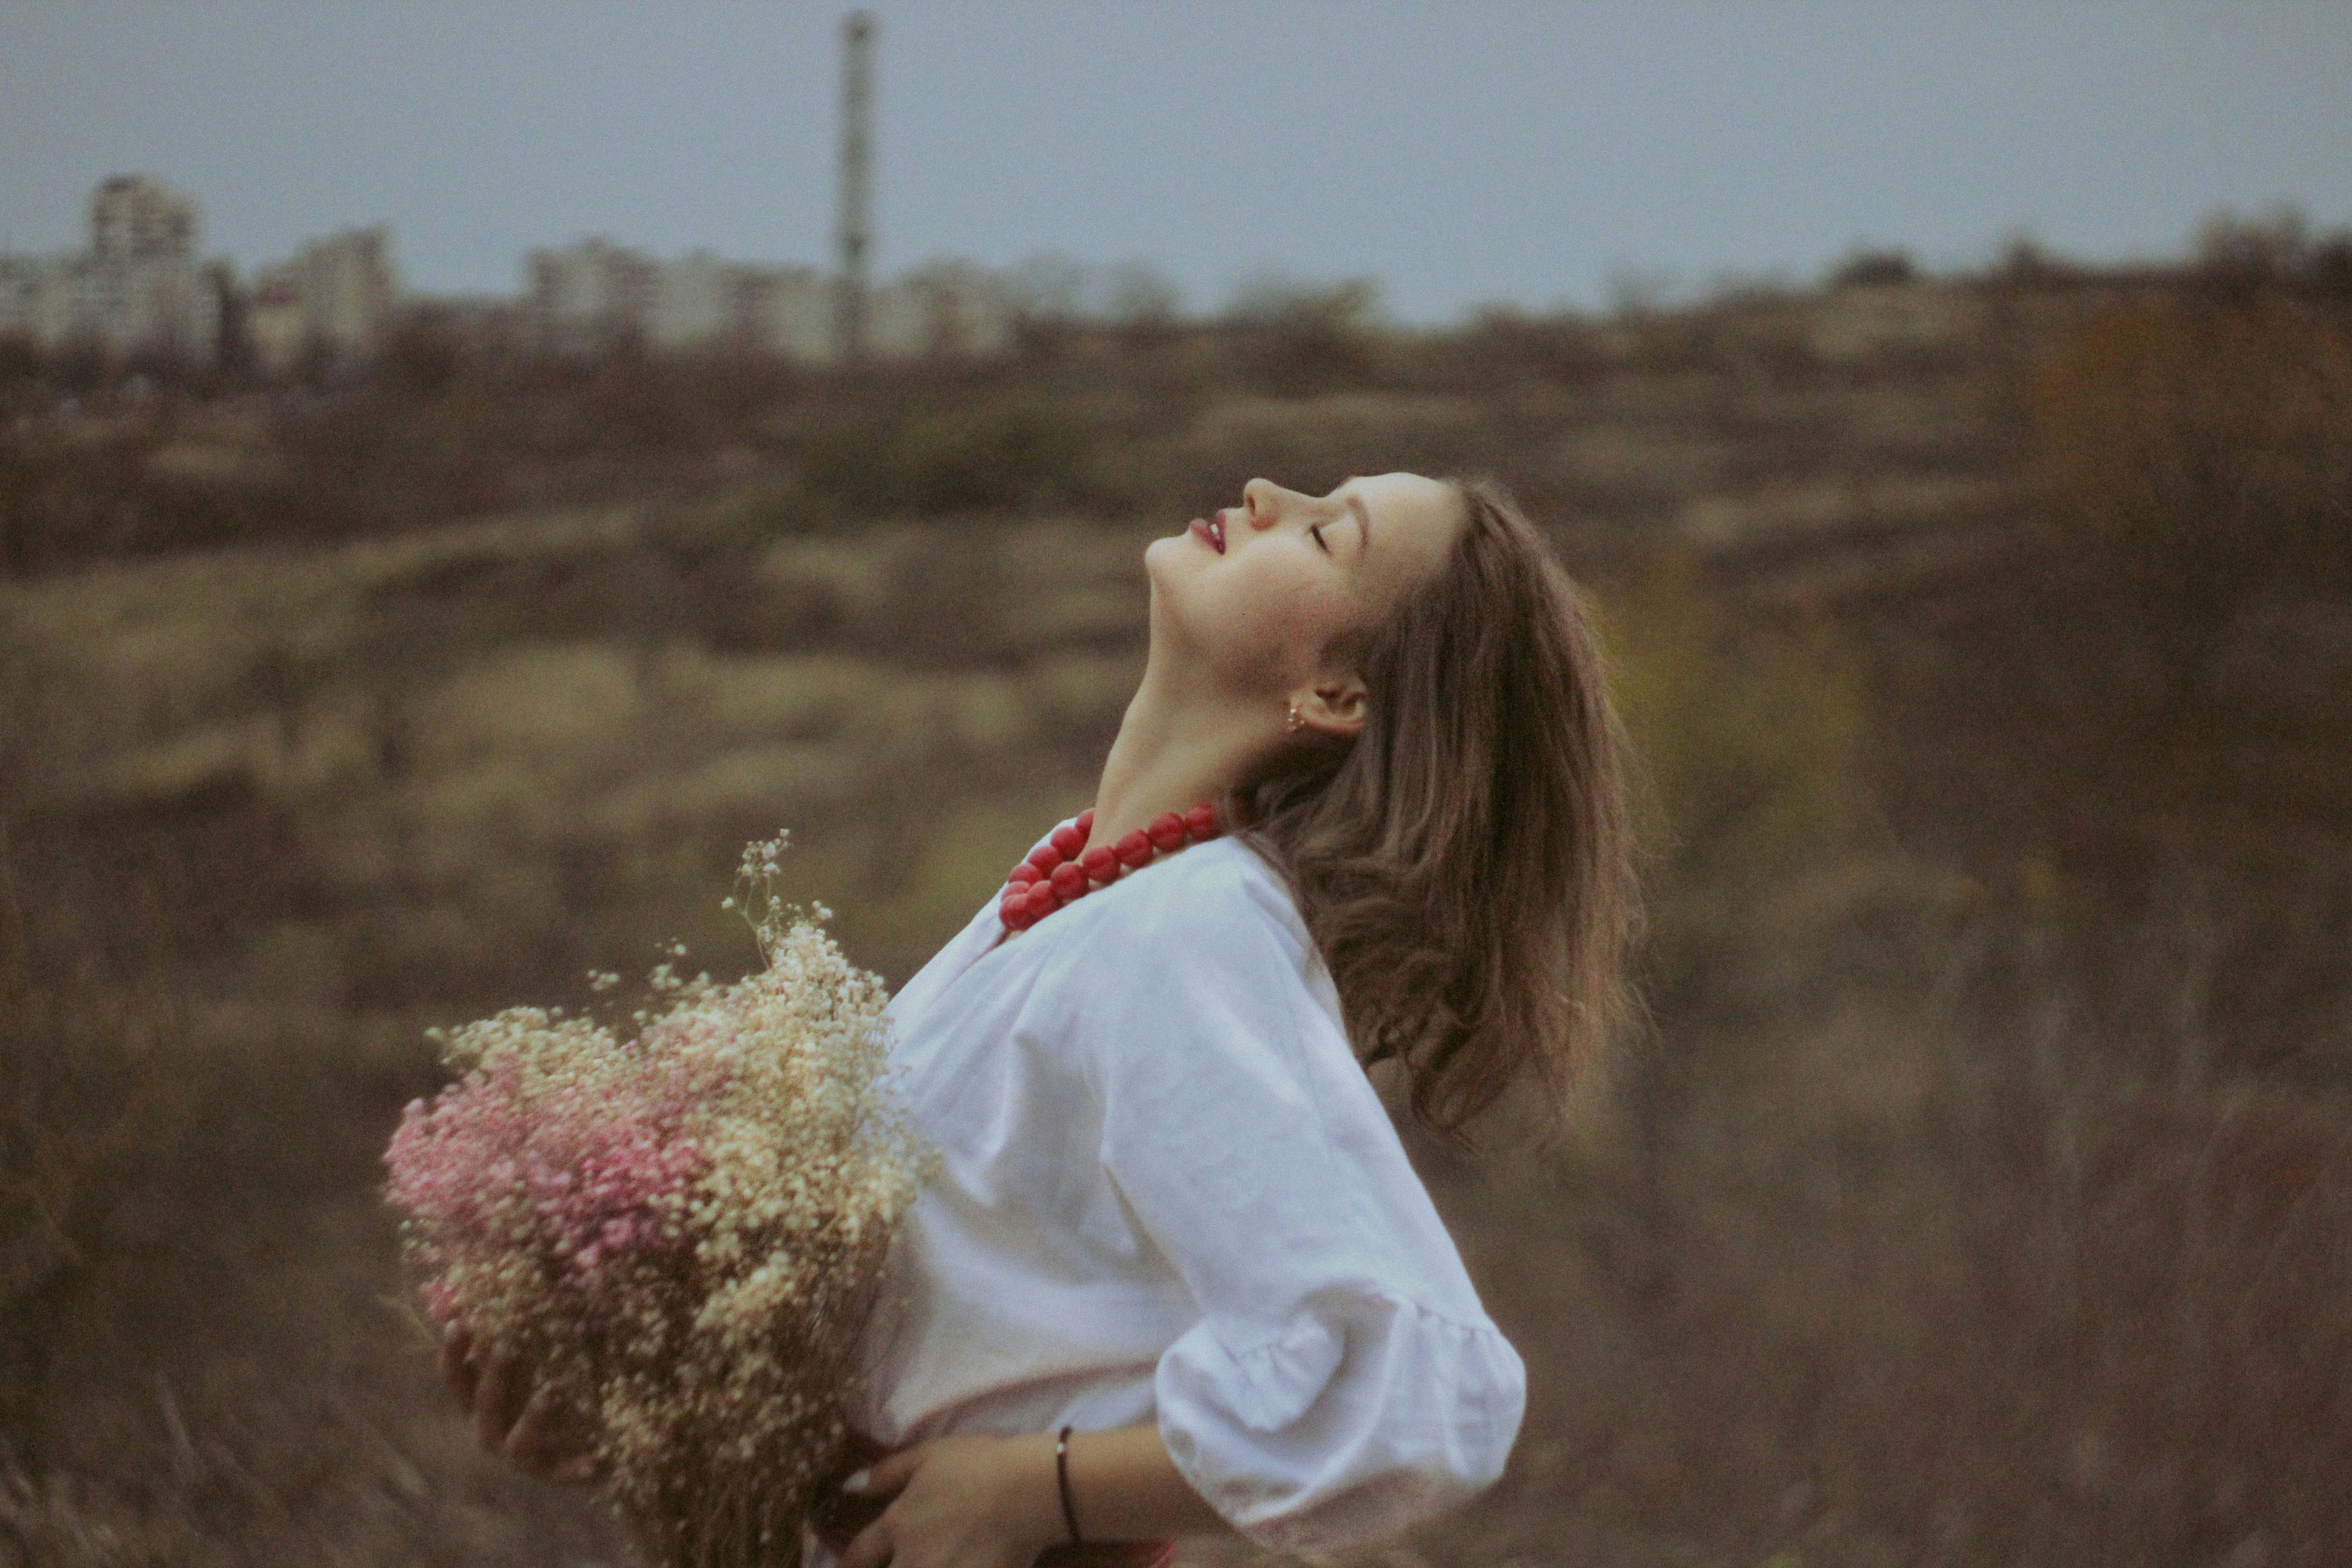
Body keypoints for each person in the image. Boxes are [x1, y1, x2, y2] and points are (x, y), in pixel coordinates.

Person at [442, 472, 1639, 1567]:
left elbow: (1421, 1393)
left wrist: (1042, 1493)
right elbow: (960, 1343)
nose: (1270, 492)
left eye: (1329, 533)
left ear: (1336, 692)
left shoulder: (1194, 928)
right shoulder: (1076, 893)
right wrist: (643, 1401)